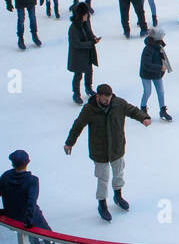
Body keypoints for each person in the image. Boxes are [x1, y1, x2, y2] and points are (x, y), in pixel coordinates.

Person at [64, 84, 151, 222]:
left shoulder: (119, 104)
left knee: (118, 173)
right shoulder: (89, 109)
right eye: (104, 99)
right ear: (98, 96)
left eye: (109, 98)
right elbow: (78, 125)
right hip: (99, 150)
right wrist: (70, 142)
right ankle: (102, 203)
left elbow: (133, 111)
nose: (107, 101)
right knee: (102, 178)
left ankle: (118, 195)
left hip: (117, 147)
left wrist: (143, 117)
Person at [0, 150, 70, 244]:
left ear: (12, 163)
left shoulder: (6, 176)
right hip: (30, 215)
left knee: (28, 232)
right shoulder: (32, 180)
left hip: (13, 216)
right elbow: (31, 201)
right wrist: (29, 220)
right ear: (28, 162)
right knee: (45, 231)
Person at [67, 2, 100, 103]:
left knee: (89, 71)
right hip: (79, 56)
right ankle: (76, 93)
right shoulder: (74, 28)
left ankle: (88, 88)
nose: (87, 15)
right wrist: (91, 43)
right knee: (78, 75)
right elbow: (76, 43)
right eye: (86, 14)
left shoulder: (84, 24)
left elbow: (89, 33)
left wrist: (93, 38)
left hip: (87, 53)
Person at [139, 27, 174, 121]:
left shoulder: (159, 46)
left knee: (161, 92)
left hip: (156, 74)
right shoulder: (148, 49)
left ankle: (162, 110)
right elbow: (146, 64)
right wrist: (160, 68)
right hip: (146, 73)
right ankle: (142, 109)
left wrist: (163, 66)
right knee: (147, 91)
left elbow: (162, 58)